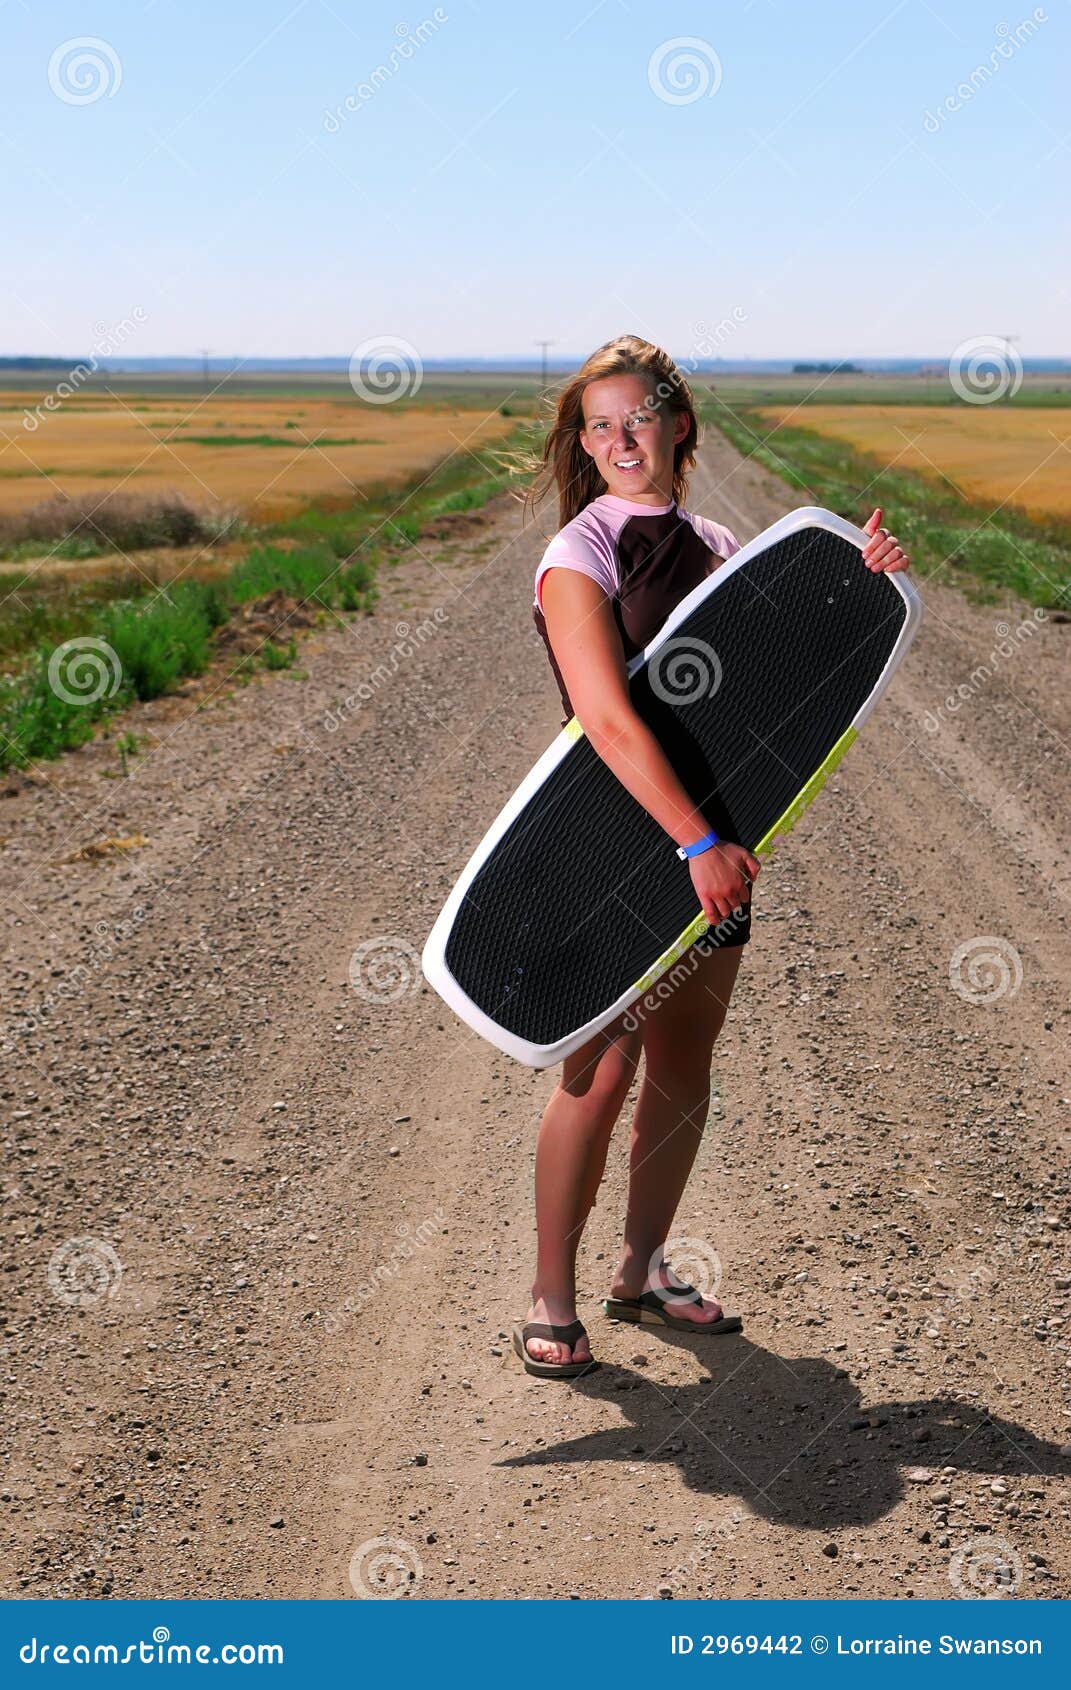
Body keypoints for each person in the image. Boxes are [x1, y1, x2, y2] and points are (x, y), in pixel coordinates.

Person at [513, 334, 911, 1378]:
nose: (618, 439)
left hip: (715, 851)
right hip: (614, 848)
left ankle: (639, 1272)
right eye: (598, 424)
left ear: (678, 423)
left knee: (684, 1068)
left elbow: (778, 678)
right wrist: (690, 838)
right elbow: (604, 717)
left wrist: (854, 582)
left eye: (636, 417)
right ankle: (552, 1297)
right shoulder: (579, 556)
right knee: (597, 1076)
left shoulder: (722, 544)